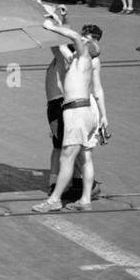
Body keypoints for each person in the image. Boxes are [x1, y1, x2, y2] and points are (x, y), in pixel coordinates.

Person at [33, 15, 107, 212]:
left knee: (66, 157)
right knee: (85, 156)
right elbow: (61, 46)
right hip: (86, 111)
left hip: (76, 111)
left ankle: (54, 199)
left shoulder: (82, 57)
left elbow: (72, 37)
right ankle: (85, 200)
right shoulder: (80, 60)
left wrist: (50, 24)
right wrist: (58, 22)